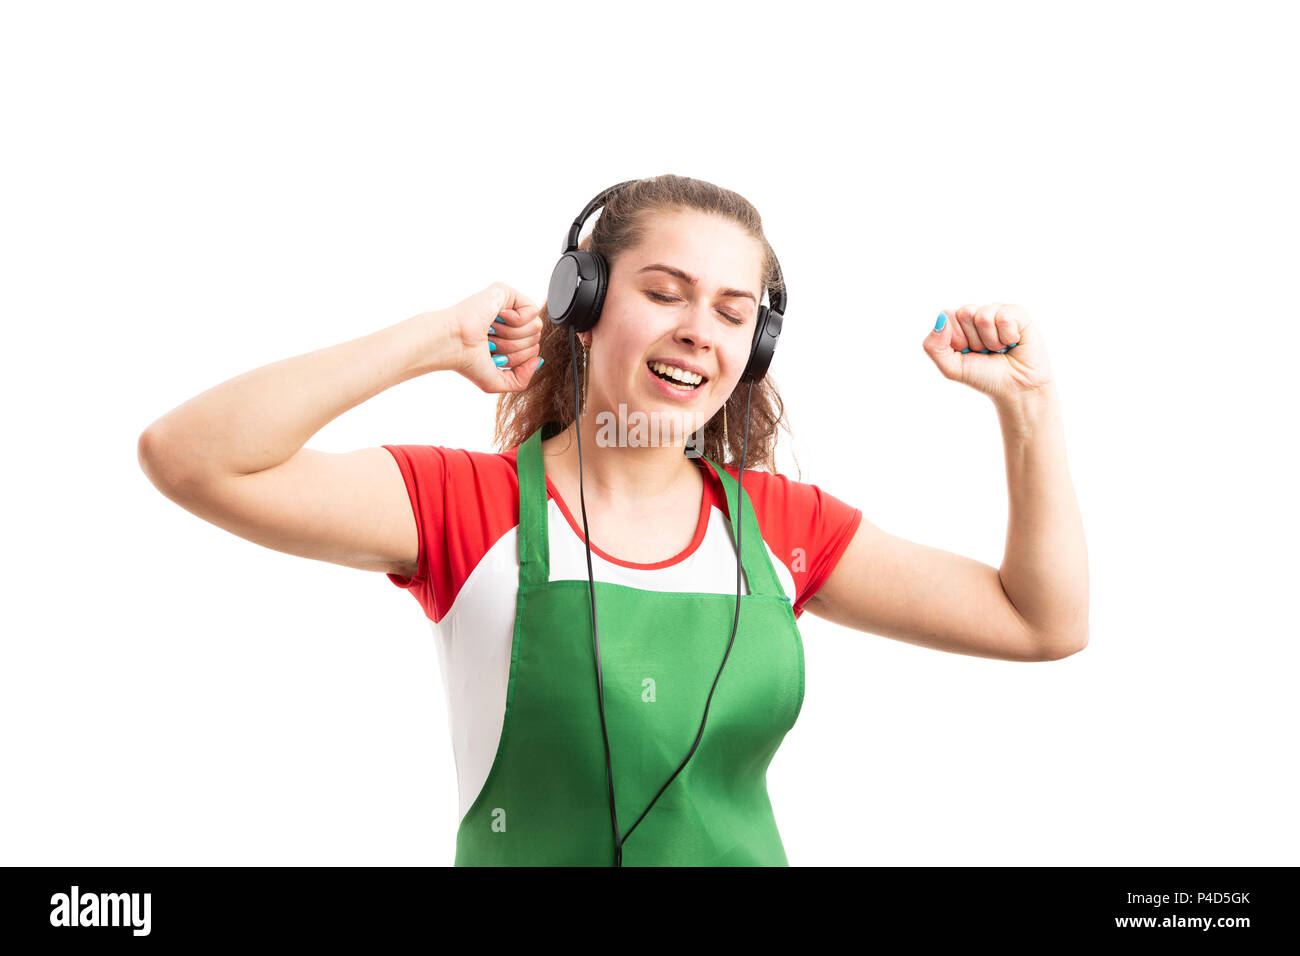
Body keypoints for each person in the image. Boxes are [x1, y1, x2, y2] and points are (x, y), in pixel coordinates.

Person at [137, 173, 1089, 866]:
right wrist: (432, 339)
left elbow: (1039, 621)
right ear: (581, 304)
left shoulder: (780, 528)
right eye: (663, 293)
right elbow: (191, 456)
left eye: (730, 312)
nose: (696, 331)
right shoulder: (464, 507)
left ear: (753, 347)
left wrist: (1029, 408)